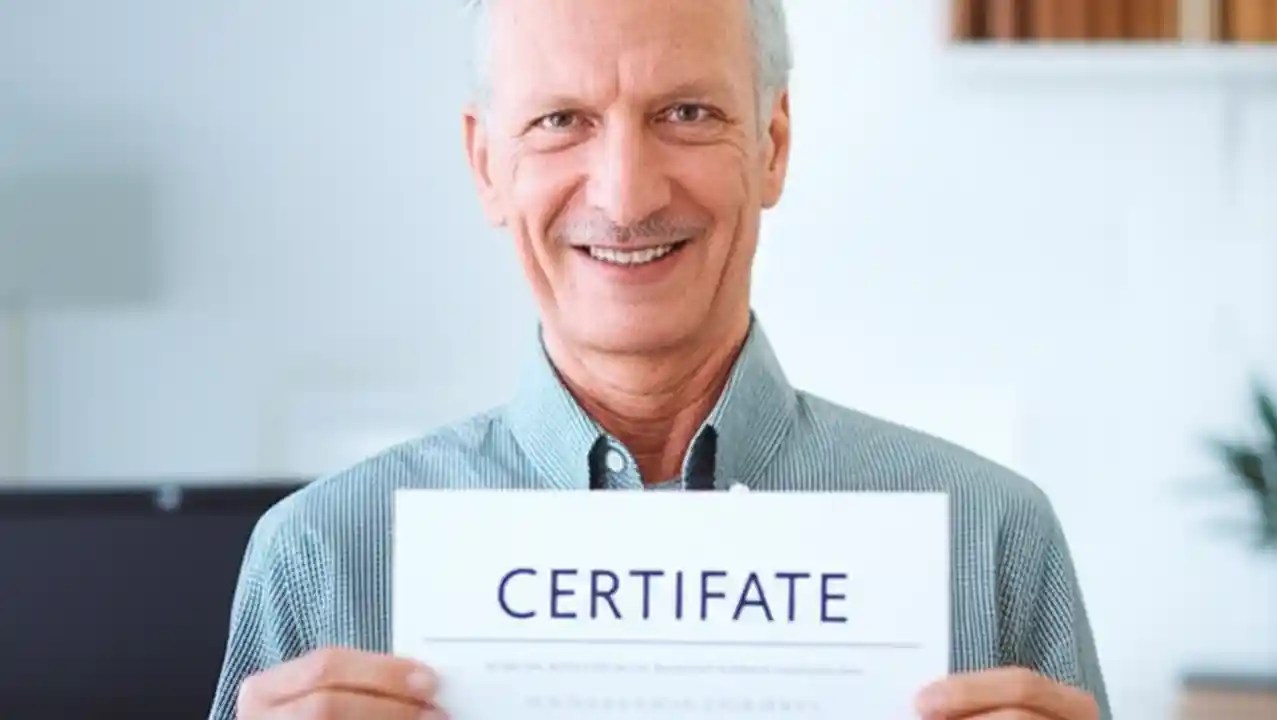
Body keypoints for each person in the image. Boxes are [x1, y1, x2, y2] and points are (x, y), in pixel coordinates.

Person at [210, 0, 1111, 718]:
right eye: (561, 120)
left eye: (686, 113)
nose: (626, 195)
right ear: (486, 164)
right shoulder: (319, 559)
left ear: (772, 144)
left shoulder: (993, 542)